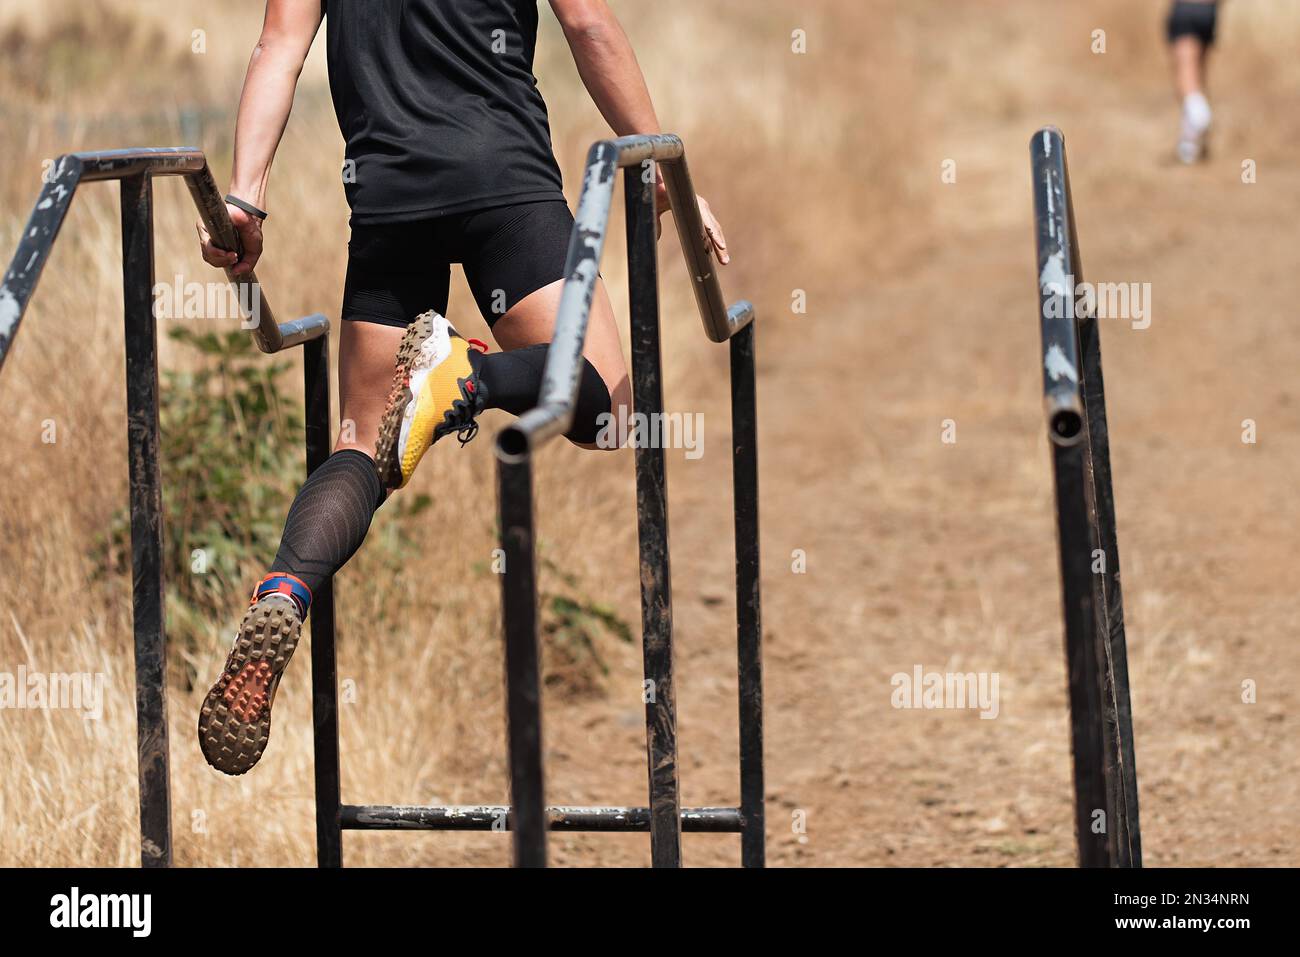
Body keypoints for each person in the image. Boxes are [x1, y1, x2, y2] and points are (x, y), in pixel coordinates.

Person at [194, 0, 731, 775]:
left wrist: (244, 196)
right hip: (501, 177)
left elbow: (278, 46)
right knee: (610, 406)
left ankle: (287, 585)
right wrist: (656, 161)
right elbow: (589, 26)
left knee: (361, 446)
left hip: (384, 196)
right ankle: (467, 374)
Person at [1166, 0, 1220, 164]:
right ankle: (1190, 147)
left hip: (1185, 9)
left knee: (1185, 72)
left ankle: (1198, 112)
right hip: (1210, 10)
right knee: (1198, 73)